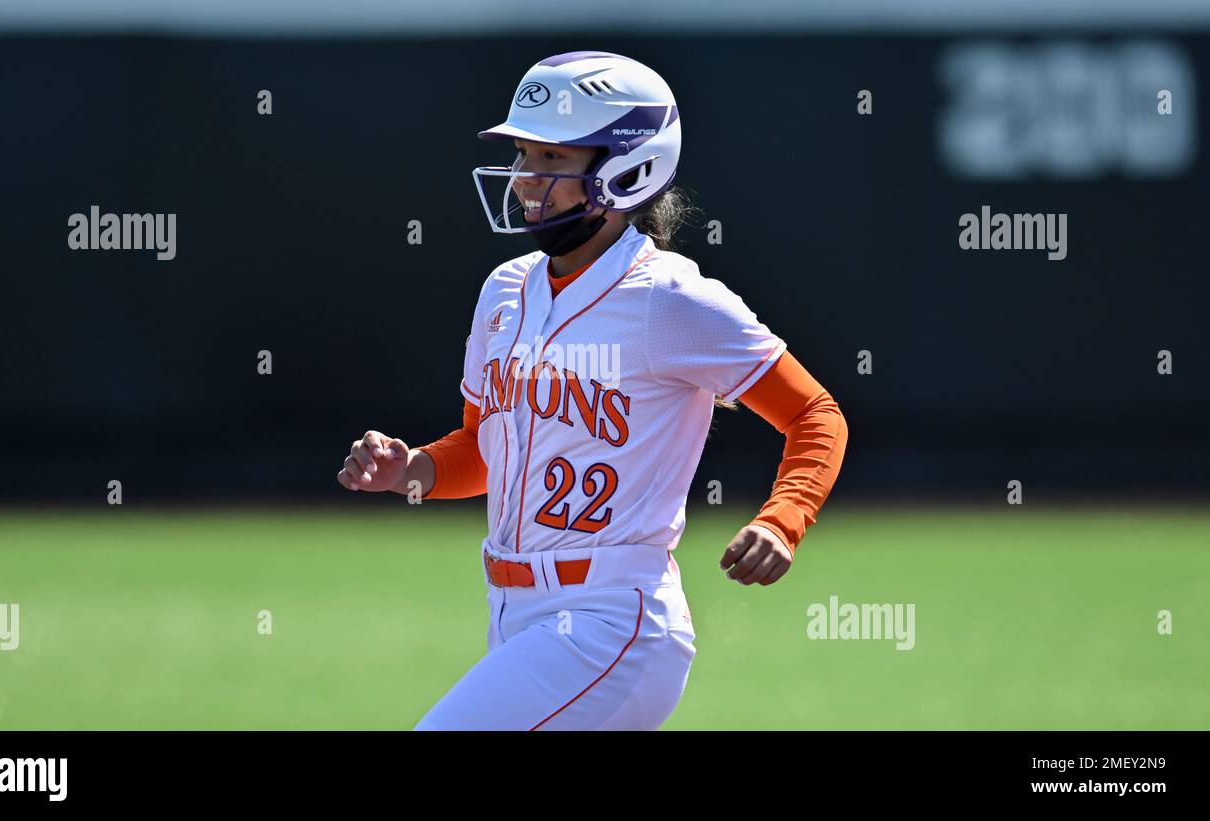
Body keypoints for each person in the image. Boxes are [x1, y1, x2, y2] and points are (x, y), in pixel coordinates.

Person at [338, 51, 848, 730]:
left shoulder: (668, 298)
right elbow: (484, 451)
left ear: (627, 168)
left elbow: (816, 412)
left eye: (552, 158)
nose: (525, 178)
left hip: (610, 621)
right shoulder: (505, 290)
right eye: (524, 152)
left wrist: (783, 518)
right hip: (514, 611)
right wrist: (415, 471)